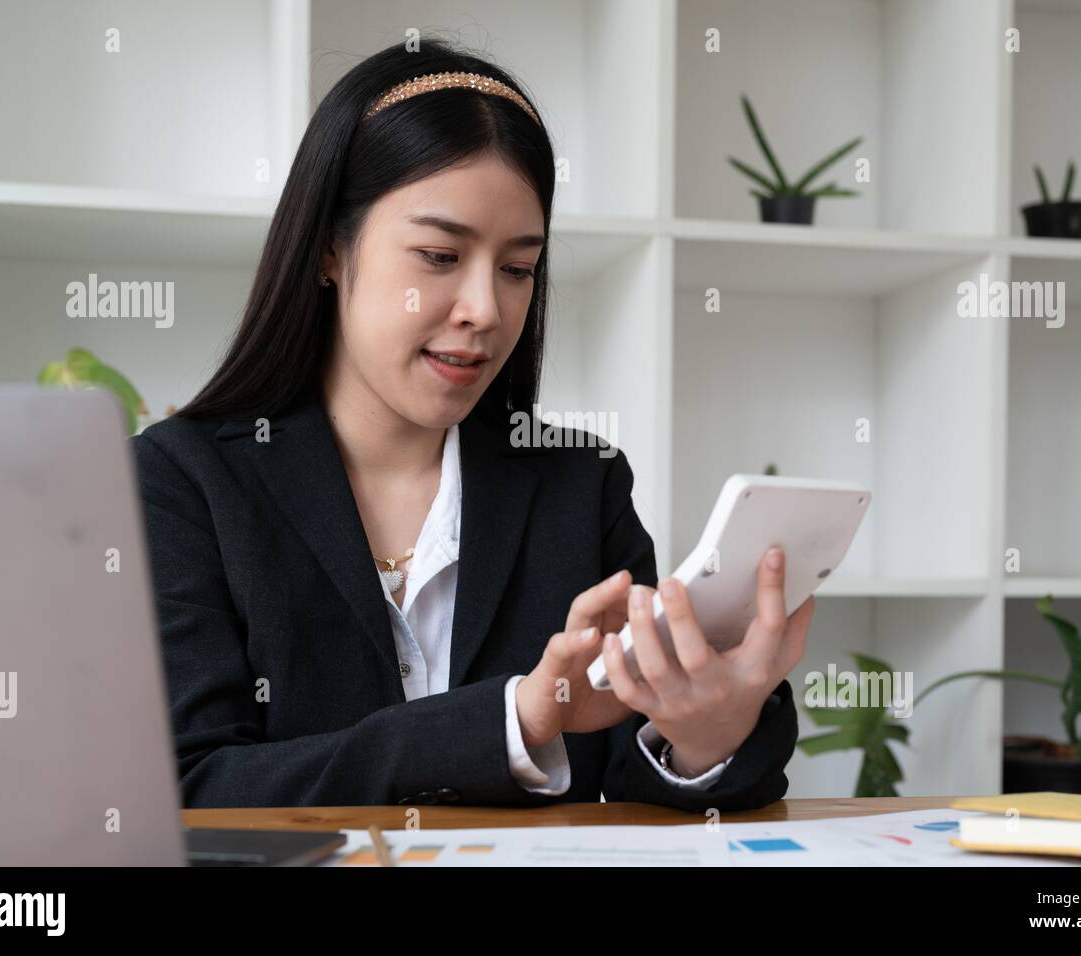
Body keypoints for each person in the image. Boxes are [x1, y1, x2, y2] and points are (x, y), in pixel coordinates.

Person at [131, 38, 813, 810]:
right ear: (328, 247)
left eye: (519, 269)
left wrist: (704, 733)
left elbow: (642, 786)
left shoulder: (581, 486)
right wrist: (515, 720)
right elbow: (186, 789)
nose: (486, 311)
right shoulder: (179, 483)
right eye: (438, 255)